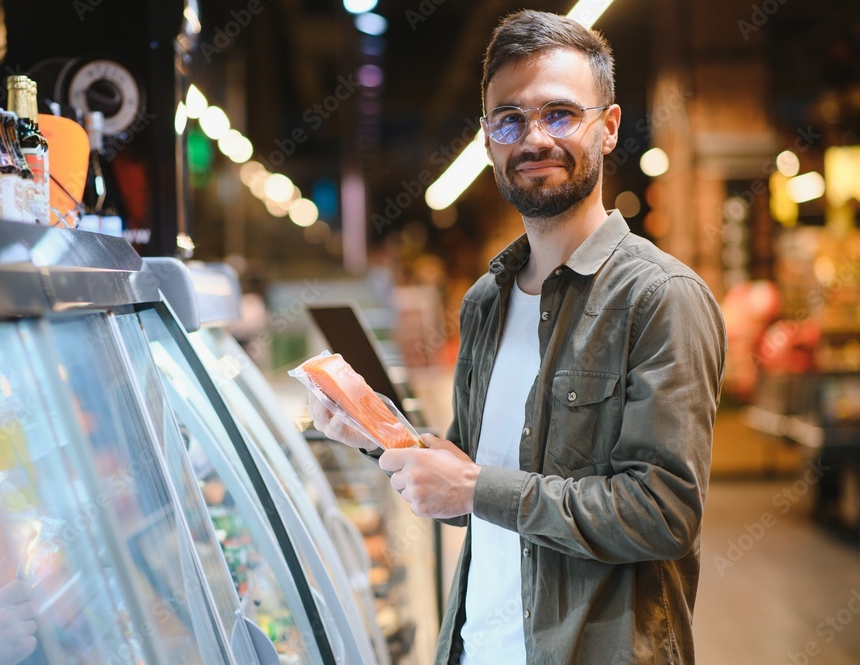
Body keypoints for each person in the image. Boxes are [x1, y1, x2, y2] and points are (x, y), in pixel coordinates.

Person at [309, 9, 727, 665]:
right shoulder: (486, 301)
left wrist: (477, 488)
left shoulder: (660, 298)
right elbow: (467, 486)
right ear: (488, 140)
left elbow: (662, 513)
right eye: (510, 119)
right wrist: (373, 434)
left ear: (609, 126)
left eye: (560, 114)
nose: (534, 138)